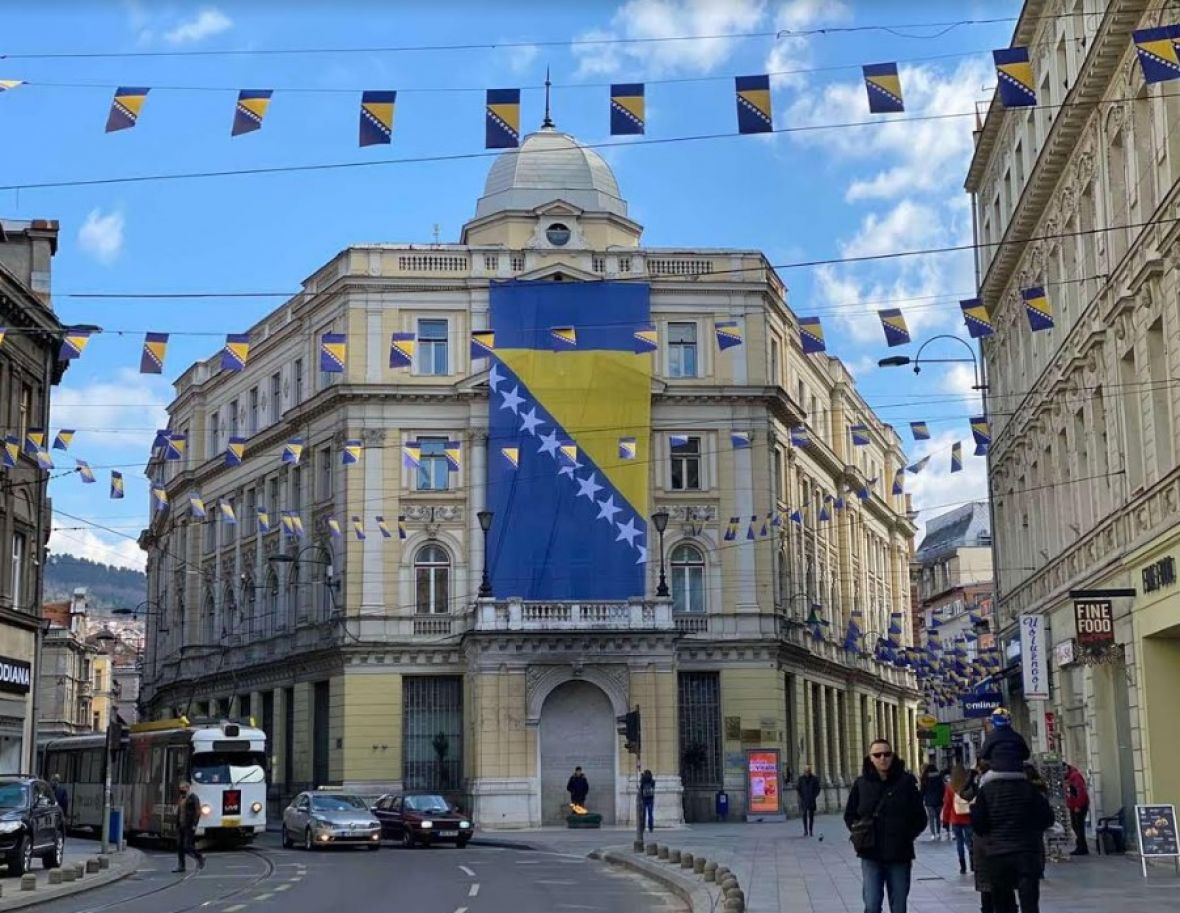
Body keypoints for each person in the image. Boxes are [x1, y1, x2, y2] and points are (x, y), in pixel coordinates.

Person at [844, 738, 928, 913]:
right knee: (872, 904)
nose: (883, 758)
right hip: (870, 853)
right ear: (870, 758)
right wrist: (859, 832)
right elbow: (850, 814)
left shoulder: (906, 783)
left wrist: (906, 835)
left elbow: (920, 817)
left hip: (899, 854)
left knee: (899, 906)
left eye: (887, 754)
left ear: (892, 756)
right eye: (877, 755)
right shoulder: (861, 784)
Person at [970, 762, 1054, 913]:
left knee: (1001, 900)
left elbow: (978, 825)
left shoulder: (987, 790)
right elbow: (1047, 818)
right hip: (1026, 850)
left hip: (997, 852)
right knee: (1029, 900)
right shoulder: (1029, 789)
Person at [960, 761, 993, 913]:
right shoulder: (1011, 783)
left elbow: (963, 795)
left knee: (987, 885)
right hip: (1003, 844)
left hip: (985, 841)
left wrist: (971, 776)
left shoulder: (981, 787)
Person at [942, 764, 974, 874]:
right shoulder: (968, 785)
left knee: (959, 842)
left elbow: (947, 805)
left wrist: (945, 820)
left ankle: (962, 866)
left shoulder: (950, 787)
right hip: (968, 817)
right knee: (970, 842)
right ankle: (973, 863)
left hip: (955, 819)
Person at [979, 708, 1030, 776]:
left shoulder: (991, 737)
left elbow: (983, 755)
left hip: (997, 773)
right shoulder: (1017, 737)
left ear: (994, 722)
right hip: (1018, 773)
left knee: (982, 781)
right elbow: (1026, 755)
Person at [173, 782, 205, 873]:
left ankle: (200, 857)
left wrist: (195, 824)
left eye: (183, 787)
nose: (181, 789)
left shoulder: (193, 797)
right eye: (180, 787)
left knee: (187, 846)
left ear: (188, 788)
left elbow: (198, 812)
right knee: (179, 846)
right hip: (180, 825)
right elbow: (180, 811)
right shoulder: (181, 798)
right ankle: (181, 865)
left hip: (189, 825)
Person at [1064, 764, 1089, 856]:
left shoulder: (1075, 776)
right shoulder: (1069, 777)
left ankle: (1082, 847)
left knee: (1078, 826)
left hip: (1078, 806)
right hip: (1074, 806)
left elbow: (1080, 791)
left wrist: (1078, 806)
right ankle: (1081, 846)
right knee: (1076, 826)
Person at [920, 763, 944, 841]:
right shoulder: (939, 777)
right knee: (937, 817)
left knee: (931, 818)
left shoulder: (925, 777)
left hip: (929, 801)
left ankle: (933, 834)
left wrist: (921, 798)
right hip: (939, 800)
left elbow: (922, 790)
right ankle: (938, 832)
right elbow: (943, 788)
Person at [796, 765, 820, 837]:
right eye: (805, 771)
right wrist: (801, 796)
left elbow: (818, 789)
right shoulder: (801, 779)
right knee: (804, 815)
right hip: (804, 800)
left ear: (810, 771)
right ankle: (805, 830)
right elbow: (798, 788)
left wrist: (814, 796)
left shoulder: (814, 779)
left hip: (811, 800)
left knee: (811, 816)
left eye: (808, 771)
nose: (806, 773)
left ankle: (811, 830)